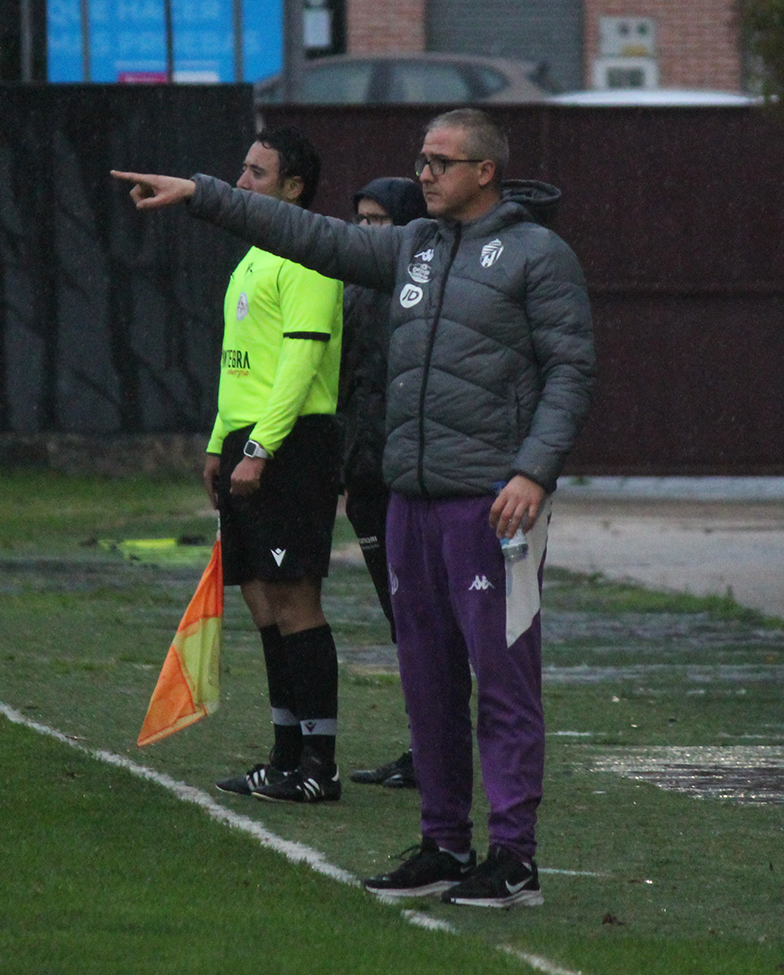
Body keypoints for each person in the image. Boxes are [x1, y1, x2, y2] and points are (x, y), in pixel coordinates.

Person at [114, 108, 595, 909]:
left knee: (504, 684)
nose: (425, 173)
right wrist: (200, 194)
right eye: (422, 159)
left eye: (442, 161)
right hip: (410, 499)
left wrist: (533, 475)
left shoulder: (540, 257)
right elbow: (305, 235)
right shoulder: (411, 247)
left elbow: (572, 375)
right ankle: (444, 844)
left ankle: (514, 859)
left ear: (486, 173)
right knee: (426, 680)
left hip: (493, 505)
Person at [200, 126, 348, 805]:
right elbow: (244, 361)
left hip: (291, 445)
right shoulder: (255, 256)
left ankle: (321, 763)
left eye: (258, 174)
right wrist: (218, 441)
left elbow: (300, 362)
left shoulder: (308, 254)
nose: (242, 183)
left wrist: (260, 446)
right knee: (261, 600)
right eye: (242, 167)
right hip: (246, 443)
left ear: (294, 187)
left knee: (294, 600)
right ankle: (285, 755)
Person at [339, 177, 429, 790]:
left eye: (381, 221)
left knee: (421, 616)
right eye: (362, 221)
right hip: (366, 472)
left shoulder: (419, 291)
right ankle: (426, 743)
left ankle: (436, 747)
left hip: (408, 474)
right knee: (399, 613)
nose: (370, 233)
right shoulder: (352, 287)